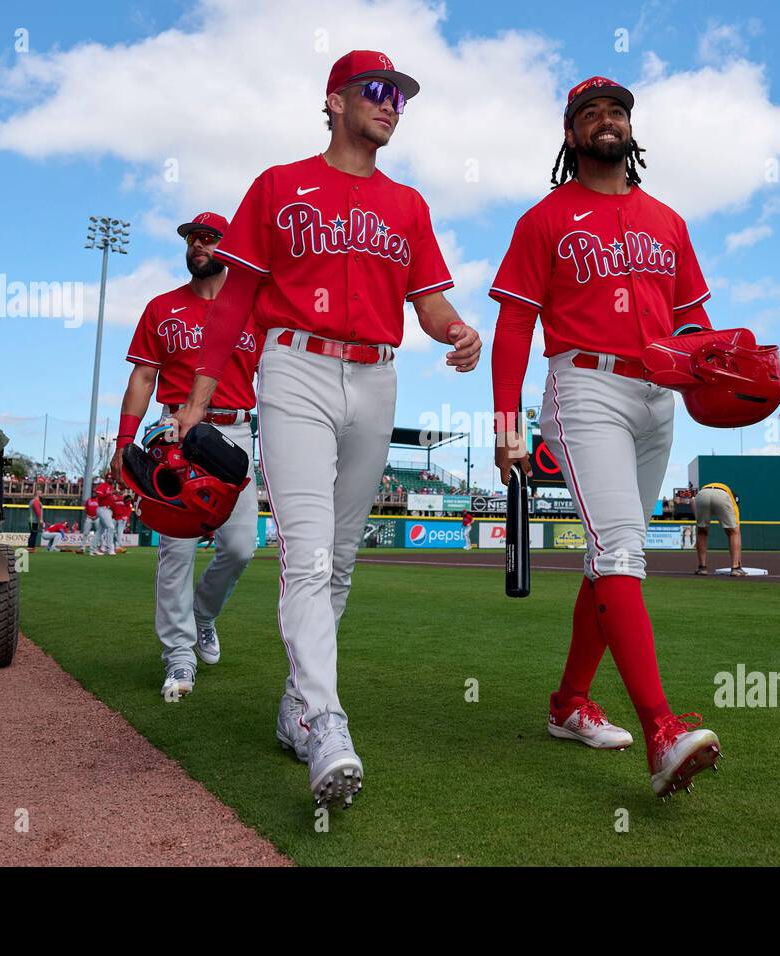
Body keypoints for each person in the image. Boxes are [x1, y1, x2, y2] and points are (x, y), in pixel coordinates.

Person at [175, 50, 481, 809]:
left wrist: (457, 332)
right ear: (335, 101)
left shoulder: (408, 204)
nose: (391, 104)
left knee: (341, 559)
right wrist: (199, 398)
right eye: (376, 92)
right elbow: (234, 302)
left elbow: (430, 303)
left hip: (377, 377)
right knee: (308, 554)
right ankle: (325, 718)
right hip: (297, 369)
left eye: (399, 96)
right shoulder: (279, 186)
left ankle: (293, 707)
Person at [491, 75, 720, 800]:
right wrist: (506, 426)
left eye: (615, 110)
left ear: (630, 127)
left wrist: (717, 368)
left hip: (660, 393)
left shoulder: (669, 220)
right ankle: (661, 729)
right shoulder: (544, 218)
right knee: (620, 548)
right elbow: (513, 327)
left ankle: (568, 705)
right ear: (570, 135)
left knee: (610, 559)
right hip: (584, 383)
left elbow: (693, 327)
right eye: (589, 113)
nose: (604, 120)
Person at [110, 211, 262, 702]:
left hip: (234, 430)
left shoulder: (253, 309)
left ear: (228, 247)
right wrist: (123, 441)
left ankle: (202, 616)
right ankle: (178, 655)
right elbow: (142, 378)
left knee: (240, 547)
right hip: (175, 430)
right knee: (175, 552)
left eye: (210, 239)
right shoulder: (162, 308)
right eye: (193, 239)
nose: (199, 246)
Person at [693, 483, 743, 576]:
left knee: (701, 532)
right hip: (722, 495)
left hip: (702, 494)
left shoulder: (710, 487)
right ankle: (736, 568)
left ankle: (702, 567)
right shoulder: (732, 500)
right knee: (734, 532)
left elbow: (693, 503)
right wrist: (739, 562)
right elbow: (737, 530)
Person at [93, 475, 117, 556]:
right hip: (102, 508)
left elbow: (111, 499)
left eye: (112, 478)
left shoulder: (111, 487)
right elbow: (98, 494)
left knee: (100, 531)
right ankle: (110, 549)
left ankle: (93, 550)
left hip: (108, 510)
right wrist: (109, 493)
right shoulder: (103, 485)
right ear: (106, 479)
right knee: (111, 527)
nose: (111, 479)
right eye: (109, 478)